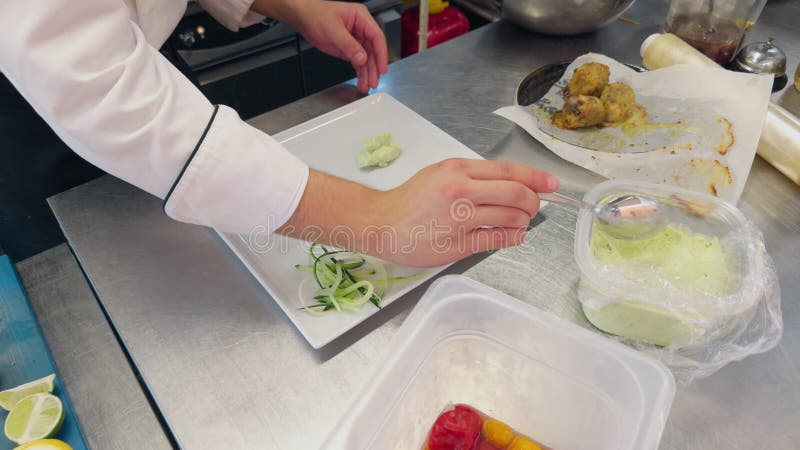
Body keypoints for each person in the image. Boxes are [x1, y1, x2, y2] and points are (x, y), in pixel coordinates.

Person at [0, 0, 558, 267]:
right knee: (82, 286)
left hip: (136, 52)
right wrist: (375, 218)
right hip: (33, 106)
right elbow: (90, 76)